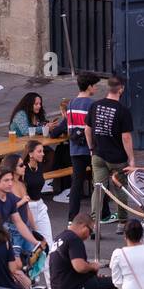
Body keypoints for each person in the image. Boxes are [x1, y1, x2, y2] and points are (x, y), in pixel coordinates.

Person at [86, 74, 135, 225]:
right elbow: (126, 137)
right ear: (121, 89)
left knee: (98, 189)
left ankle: (94, 224)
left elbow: (87, 129)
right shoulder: (123, 110)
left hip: (98, 155)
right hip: (117, 158)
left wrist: (91, 148)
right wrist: (131, 159)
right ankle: (122, 222)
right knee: (120, 188)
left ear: (108, 88)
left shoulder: (95, 106)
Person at [47, 214, 107, 289]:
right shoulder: (74, 239)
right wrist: (93, 266)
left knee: (97, 284)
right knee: (115, 286)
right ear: (83, 226)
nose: (89, 235)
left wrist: (91, 274)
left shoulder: (61, 237)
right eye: (90, 231)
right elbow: (79, 267)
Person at [56, 73, 99, 214]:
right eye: (95, 85)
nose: (97, 88)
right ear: (89, 87)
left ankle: (71, 217)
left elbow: (69, 127)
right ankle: (101, 214)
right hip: (90, 149)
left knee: (76, 184)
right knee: (98, 182)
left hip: (74, 149)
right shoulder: (92, 104)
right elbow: (93, 128)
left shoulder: (71, 104)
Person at [22, 139, 55, 252]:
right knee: (31, 246)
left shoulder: (39, 166)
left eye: (42, 151)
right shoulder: (23, 170)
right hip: (28, 208)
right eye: (39, 151)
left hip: (40, 206)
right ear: (30, 154)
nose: (43, 154)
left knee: (48, 242)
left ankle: (48, 270)